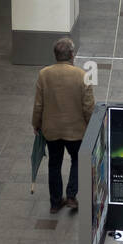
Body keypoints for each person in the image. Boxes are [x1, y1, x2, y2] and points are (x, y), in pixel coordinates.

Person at [32, 37, 95, 214]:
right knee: (77, 160)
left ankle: (54, 202)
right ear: (72, 55)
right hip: (76, 131)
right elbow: (88, 106)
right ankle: (71, 195)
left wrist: (36, 123)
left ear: (55, 55)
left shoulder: (44, 74)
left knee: (54, 163)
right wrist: (92, 126)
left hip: (51, 130)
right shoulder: (82, 76)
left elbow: (38, 104)